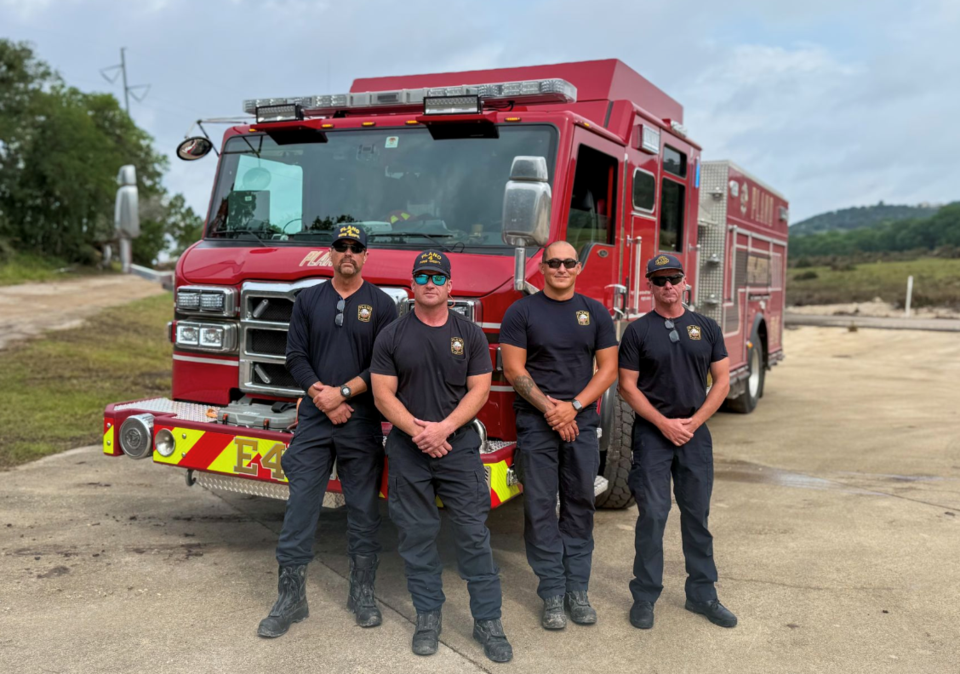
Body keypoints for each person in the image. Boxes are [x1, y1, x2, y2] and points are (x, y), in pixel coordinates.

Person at [370, 250, 513, 663]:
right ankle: (428, 618)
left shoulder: (468, 334)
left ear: (450, 286)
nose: (429, 283)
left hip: (458, 448)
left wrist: (444, 429)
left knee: (472, 537)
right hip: (409, 449)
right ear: (411, 285)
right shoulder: (392, 335)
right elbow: (383, 394)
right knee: (417, 537)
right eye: (422, 276)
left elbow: (479, 390)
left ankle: (487, 621)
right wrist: (419, 432)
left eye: (437, 277)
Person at [257, 224, 398, 638]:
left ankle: (362, 593)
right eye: (341, 247)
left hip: (362, 421)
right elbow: (295, 356)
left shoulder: (383, 306)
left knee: (364, 512)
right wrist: (320, 396)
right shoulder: (309, 300)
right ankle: (290, 598)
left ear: (366, 257)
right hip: (317, 420)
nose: (348, 254)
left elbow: (383, 367)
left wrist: (342, 394)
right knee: (300, 507)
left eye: (356, 248)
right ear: (330, 254)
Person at [500, 240, 619, 630]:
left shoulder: (595, 312)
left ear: (578, 268)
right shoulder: (522, 311)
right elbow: (515, 370)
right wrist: (553, 409)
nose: (562, 269)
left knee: (580, 504)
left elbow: (607, 370)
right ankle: (551, 591)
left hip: (580, 421)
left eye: (569, 263)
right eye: (554, 263)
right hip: (537, 422)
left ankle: (577, 591)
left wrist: (575, 407)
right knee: (538, 507)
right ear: (543, 268)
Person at [617, 253, 737, 630]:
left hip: (695, 434)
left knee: (696, 517)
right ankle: (645, 596)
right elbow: (627, 386)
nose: (668, 286)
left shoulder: (707, 327)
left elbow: (721, 381)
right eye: (659, 280)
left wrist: (694, 421)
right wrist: (663, 423)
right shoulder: (637, 331)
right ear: (649, 286)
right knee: (653, 516)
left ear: (685, 282)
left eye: (674, 278)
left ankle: (702, 595)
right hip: (653, 435)